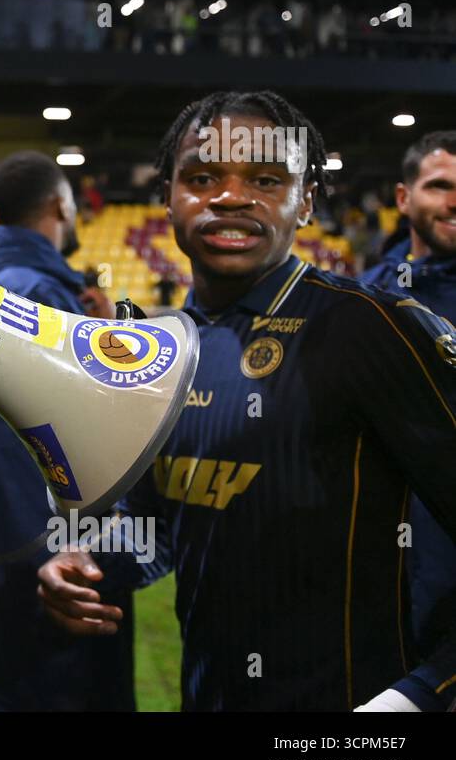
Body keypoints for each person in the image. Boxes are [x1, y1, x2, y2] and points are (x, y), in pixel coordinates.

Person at [37, 90, 456, 711]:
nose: (230, 197)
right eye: (202, 177)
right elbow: (162, 528)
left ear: (306, 201)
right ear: (169, 196)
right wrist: (89, 561)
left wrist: (421, 695)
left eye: (265, 178)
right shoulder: (160, 352)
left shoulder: (375, 327)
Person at [0, 151, 132, 711]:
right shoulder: (40, 293)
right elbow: (72, 438)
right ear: (61, 205)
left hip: (15, 551)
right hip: (61, 561)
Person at [358, 131, 456, 660]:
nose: (454, 201)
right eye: (440, 186)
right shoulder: (362, 299)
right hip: (376, 575)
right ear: (403, 198)